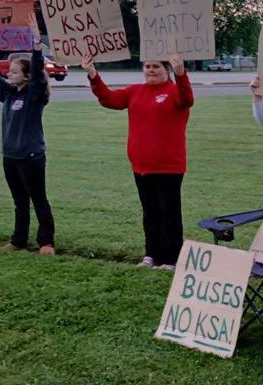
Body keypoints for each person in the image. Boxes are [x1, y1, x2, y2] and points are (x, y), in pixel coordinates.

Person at [82, 52, 193, 270]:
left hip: (169, 166)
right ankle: (151, 255)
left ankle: (171, 259)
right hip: (141, 166)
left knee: (169, 214)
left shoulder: (174, 92)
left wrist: (181, 74)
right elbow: (109, 100)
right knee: (150, 213)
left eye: (156, 66)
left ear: (166, 69)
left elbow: (187, 98)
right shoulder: (135, 91)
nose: (150, 70)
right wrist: (93, 74)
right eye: (147, 66)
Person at [0, 13, 55, 255]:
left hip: (31, 157)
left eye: (15, 72)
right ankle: (18, 240)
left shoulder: (34, 94)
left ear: (26, 76)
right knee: (19, 202)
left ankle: (46, 242)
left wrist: (37, 47)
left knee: (39, 199)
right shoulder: (8, 93)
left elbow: (39, 75)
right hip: (10, 156)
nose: (9, 74)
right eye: (10, 71)